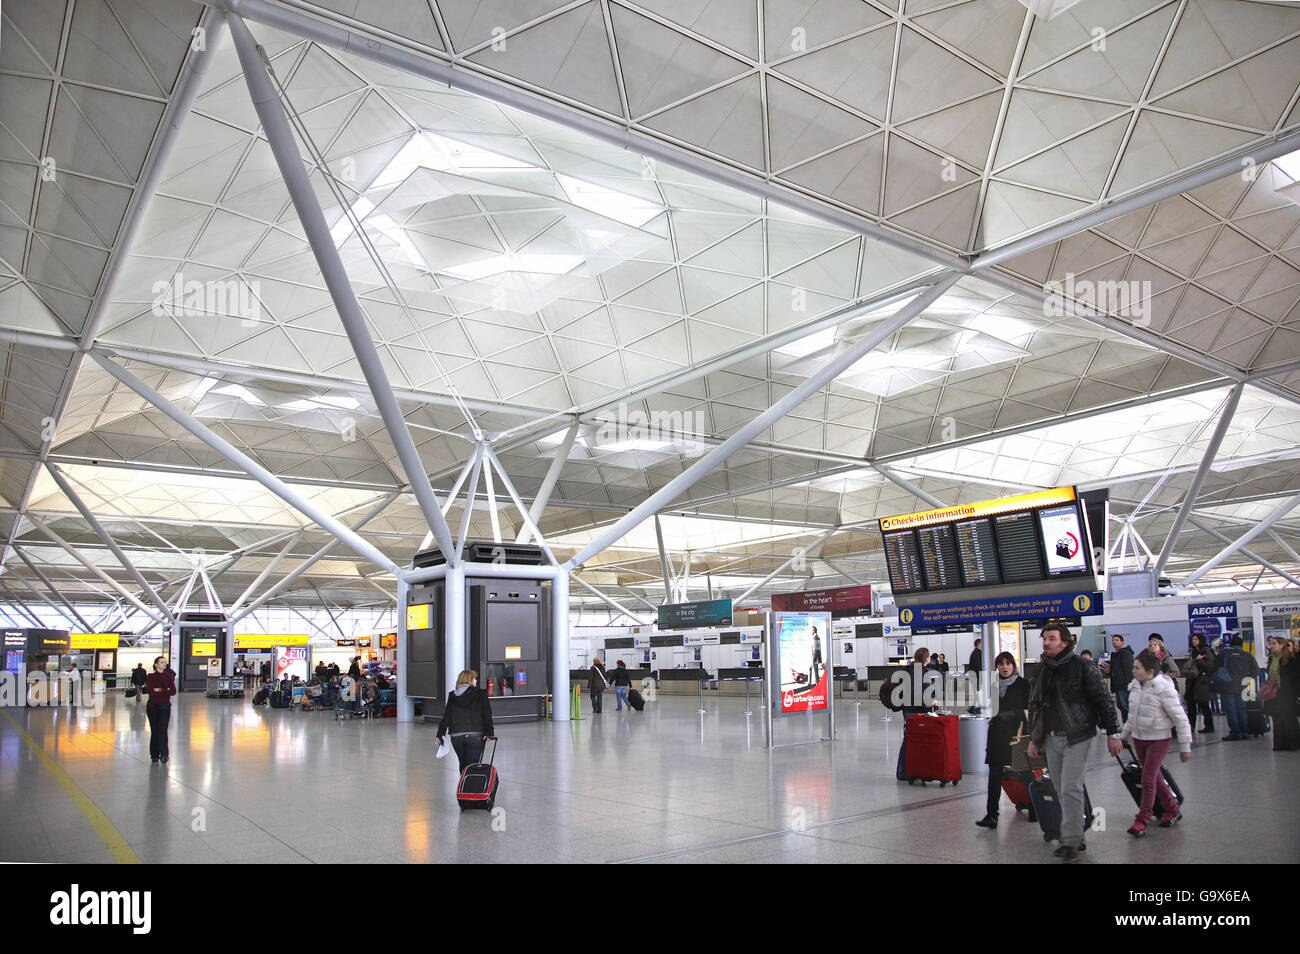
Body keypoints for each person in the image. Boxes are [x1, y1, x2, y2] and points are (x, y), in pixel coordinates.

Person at [1027, 623, 1124, 863]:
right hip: (1050, 737)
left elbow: (1103, 700)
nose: (1046, 643)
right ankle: (1074, 836)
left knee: (1071, 787)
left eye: (1051, 639)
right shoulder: (1042, 670)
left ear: (1064, 642)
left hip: (1077, 734)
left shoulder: (1082, 666)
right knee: (1061, 788)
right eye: (1045, 639)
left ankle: (1071, 841)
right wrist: (1034, 738)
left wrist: (1113, 733)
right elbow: (1035, 706)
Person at [1120, 650, 1192, 837]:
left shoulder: (1164, 688)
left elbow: (1180, 717)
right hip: (1139, 738)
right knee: (1154, 776)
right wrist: (1123, 737)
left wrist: (1185, 746)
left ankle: (1142, 819)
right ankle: (1172, 807)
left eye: (1137, 668)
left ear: (1150, 671)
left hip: (1159, 739)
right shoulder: (1135, 686)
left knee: (1148, 778)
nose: (1133, 670)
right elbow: (1131, 717)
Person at [975, 652, 1031, 830]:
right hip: (997, 735)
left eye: (1008, 663)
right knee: (995, 775)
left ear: (1013, 666)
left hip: (1018, 734)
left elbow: (1031, 710)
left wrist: (1012, 715)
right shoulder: (993, 685)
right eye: (1001, 664)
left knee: (1025, 773)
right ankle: (992, 815)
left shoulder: (1023, 685)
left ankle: (1035, 807)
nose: (1005, 667)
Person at [436, 669, 495, 774]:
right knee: (473, 765)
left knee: (463, 764)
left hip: (456, 735)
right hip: (475, 734)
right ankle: (472, 787)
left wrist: (440, 734)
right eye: (474, 679)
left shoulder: (452, 695)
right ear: (470, 680)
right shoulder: (480, 694)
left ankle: (464, 786)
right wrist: (489, 733)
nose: (476, 681)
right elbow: (487, 715)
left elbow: (447, 716)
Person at [896, 648, 939, 781]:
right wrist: (932, 702)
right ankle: (906, 772)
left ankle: (907, 771)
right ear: (927, 659)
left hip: (907, 709)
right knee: (914, 740)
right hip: (917, 711)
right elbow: (921, 694)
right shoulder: (922, 673)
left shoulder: (908, 670)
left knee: (909, 739)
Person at [1216, 636, 1257, 741]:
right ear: (1242, 645)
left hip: (1227, 686)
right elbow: (1255, 671)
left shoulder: (1224, 655)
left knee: (1231, 710)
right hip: (1243, 686)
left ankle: (1236, 733)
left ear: (1230, 644)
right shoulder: (1248, 655)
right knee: (1241, 708)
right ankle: (1245, 732)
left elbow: (1215, 668)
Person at [1263, 636, 1299, 752]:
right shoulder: (1272, 659)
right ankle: (1279, 744)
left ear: (1281, 645)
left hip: (1288, 693)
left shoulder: (1290, 659)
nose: (1271, 645)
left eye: (1274, 643)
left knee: (1289, 719)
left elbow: (1296, 678)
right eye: (1271, 643)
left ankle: (1292, 743)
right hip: (1275, 693)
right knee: (1277, 719)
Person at [144, 655, 176, 764]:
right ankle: (154, 754)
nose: (164, 664)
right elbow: (151, 691)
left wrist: (160, 690)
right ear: (156, 665)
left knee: (163, 730)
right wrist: (164, 690)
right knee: (155, 730)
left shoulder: (168, 677)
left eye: (164, 662)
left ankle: (164, 754)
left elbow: (173, 691)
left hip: (165, 707)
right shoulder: (151, 677)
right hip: (152, 707)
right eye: (161, 662)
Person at [1183, 633, 1215, 734]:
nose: (1193, 641)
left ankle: (1209, 726)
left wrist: (1199, 661)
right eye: (1193, 639)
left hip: (1201, 681)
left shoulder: (1206, 651)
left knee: (1204, 704)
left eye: (1195, 639)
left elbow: (1209, 666)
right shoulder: (1192, 652)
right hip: (1192, 681)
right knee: (1191, 705)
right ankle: (1191, 726)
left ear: (1200, 640)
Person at [1108, 634, 1135, 722]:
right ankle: (1126, 725)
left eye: (1116, 640)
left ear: (1122, 642)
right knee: (1121, 706)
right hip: (1118, 684)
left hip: (1124, 684)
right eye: (1113, 640)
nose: (1114, 642)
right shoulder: (1115, 655)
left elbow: (1128, 669)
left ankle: (1129, 725)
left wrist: (1128, 683)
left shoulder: (1125, 653)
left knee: (1126, 706)